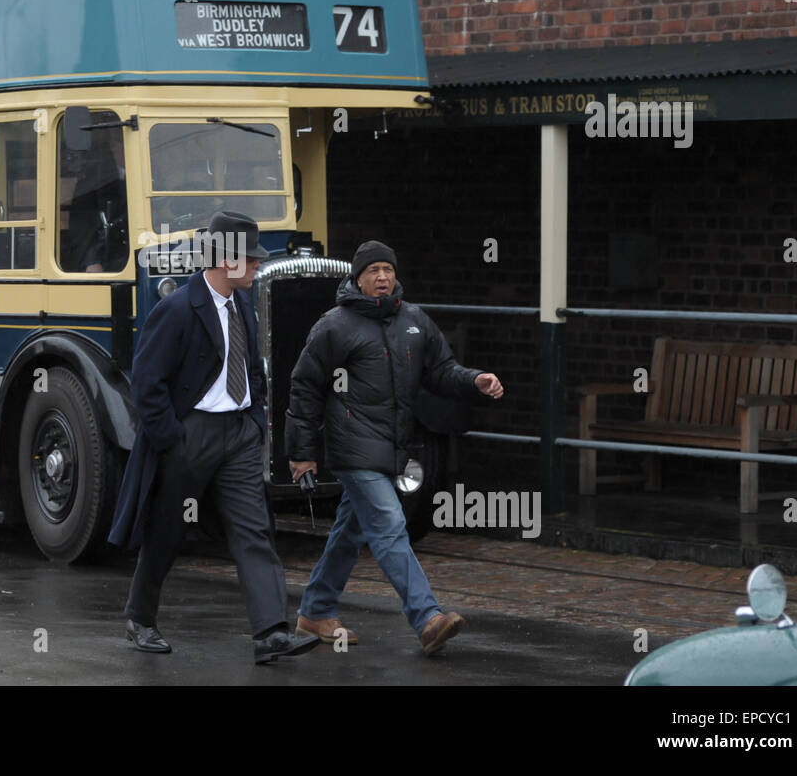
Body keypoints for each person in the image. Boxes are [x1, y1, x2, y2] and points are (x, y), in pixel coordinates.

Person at [109, 210, 319, 665]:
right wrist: (174, 440)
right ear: (227, 261)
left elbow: (252, 370)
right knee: (166, 531)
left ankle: (270, 633)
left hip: (239, 434)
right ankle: (140, 619)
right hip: (191, 435)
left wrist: (257, 422)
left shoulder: (243, 303)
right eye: (252, 259)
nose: (260, 266)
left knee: (254, 530)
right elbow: (146, 382)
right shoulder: (178, 308)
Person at [285, 241, 504, 655]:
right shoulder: (334, 326)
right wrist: (302, 452)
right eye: (373, 271)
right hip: (353, 448)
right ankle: (427, 618)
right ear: (358, 278)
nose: (382, 277)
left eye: (388, 269)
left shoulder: (414, 320)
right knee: (388, 524)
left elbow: (441, 371)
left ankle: (315, 611)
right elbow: (306, 387)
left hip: (393, 449)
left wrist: (474, 380)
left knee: (350, 532)